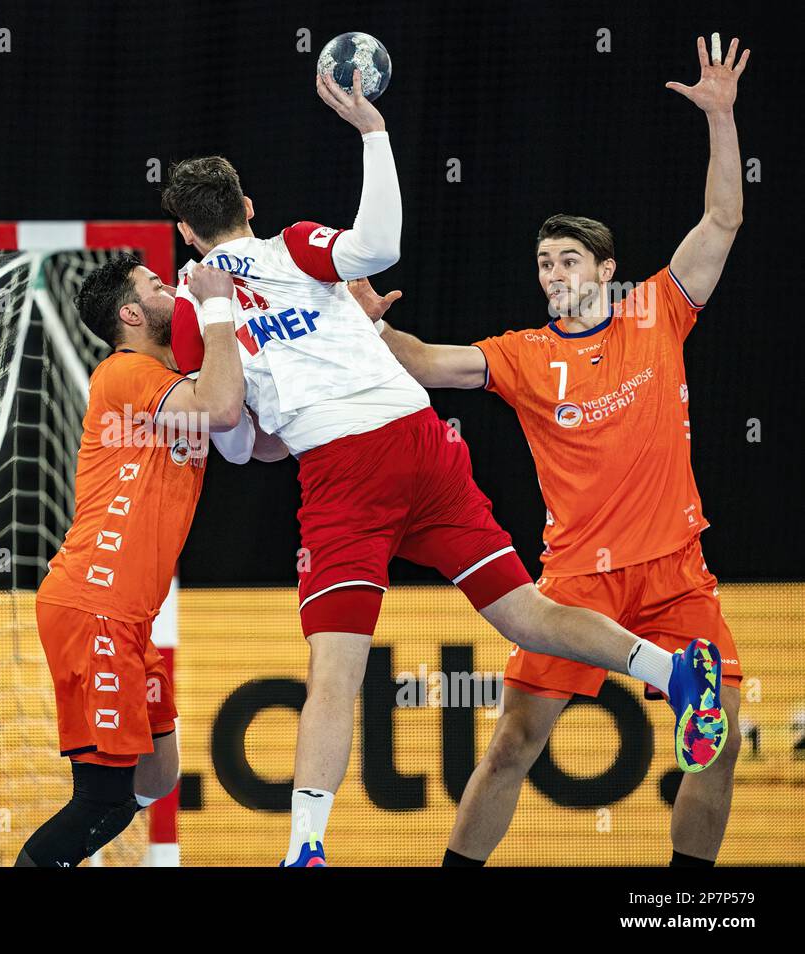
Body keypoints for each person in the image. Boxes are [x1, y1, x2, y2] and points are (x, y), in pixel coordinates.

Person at [163, 66, 728, 868]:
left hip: (342, 470)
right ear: (249, 206)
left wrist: (224, 332)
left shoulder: (193, 306)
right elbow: (380, 247)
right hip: (419, 439)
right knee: (523, 611)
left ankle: (306, 848)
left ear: (185, 234)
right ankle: (674, 673)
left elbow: (230, 430)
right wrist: (373, 132)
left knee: (335, 667)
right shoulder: (296, 245)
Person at [367, 34, 748, 866]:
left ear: (605, 270)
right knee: (512, 745)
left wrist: (720, 117)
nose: (553, 272)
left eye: (569, 258)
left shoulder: (658, 311)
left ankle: (687, 900)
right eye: (543, 262)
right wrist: (373, 323)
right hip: (576, 582)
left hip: (676, 570)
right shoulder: (521, 355)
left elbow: (723, 218)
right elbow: (430, 362)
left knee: (719, 744)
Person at [17, 257, 245, 866]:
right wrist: (220, 304)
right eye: (156, 286)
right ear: (131, 313)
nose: (172, 287)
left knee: (157, 777)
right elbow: (223, 410)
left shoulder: (180, 385)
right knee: (104, 801)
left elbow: (257, 440)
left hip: (127, 616)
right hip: (94, 602)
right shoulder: (125, 373)